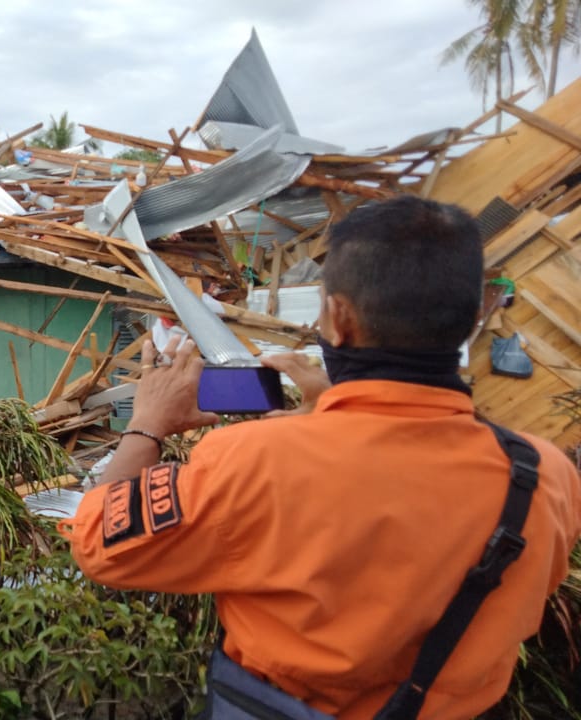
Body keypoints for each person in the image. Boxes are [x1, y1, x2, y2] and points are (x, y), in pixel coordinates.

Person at [61, 196, 581, 719]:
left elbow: (101, 544)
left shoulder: (255, 462)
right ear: (474, 318)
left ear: (337, 317)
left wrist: (147, 422)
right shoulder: (542, 475)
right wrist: (329, 417)